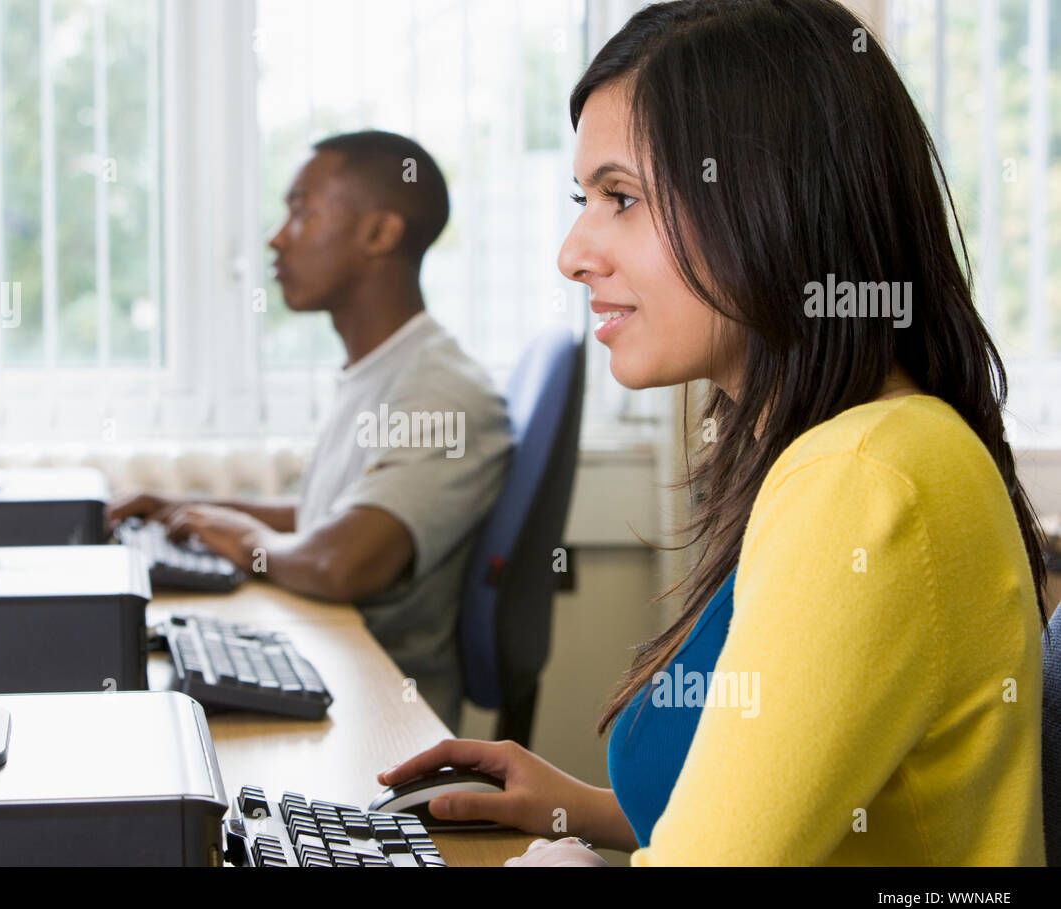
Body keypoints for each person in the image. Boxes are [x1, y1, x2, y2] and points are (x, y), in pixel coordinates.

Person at [381, 0, 1048, 865]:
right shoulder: (846, 448)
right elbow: (806, 795)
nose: (574, 250)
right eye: (585, 198)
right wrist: (583, 810)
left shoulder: (864, 481)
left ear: (773, 200)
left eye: (621, 196)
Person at [109, 131, 512, 731]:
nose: (276, 237)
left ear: (380, 233)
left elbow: (339, 562)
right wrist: (185, 510)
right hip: (330, 675)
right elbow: (329, 516)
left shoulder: (440, 392)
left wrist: (246, 542)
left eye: (300, 211)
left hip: (375, 717)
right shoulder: (381, 369)